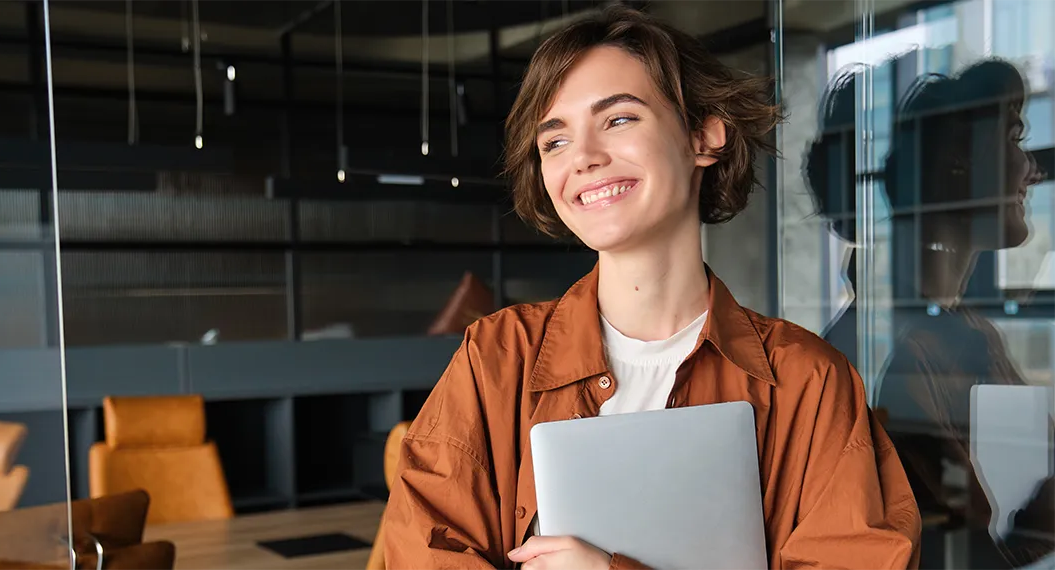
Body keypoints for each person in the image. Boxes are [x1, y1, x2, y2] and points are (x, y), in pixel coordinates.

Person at [383, 7, 921, 569]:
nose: (584, 158)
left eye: (618, 120)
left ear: (704, 136)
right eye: (555, 142)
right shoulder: (495, 359)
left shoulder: (809, 382)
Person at [806, 59, 1054, 568]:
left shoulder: (962, 331)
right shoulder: (895, 351)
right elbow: (959, 548)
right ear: (959, 162)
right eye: (1013, 138)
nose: (1033, 169)